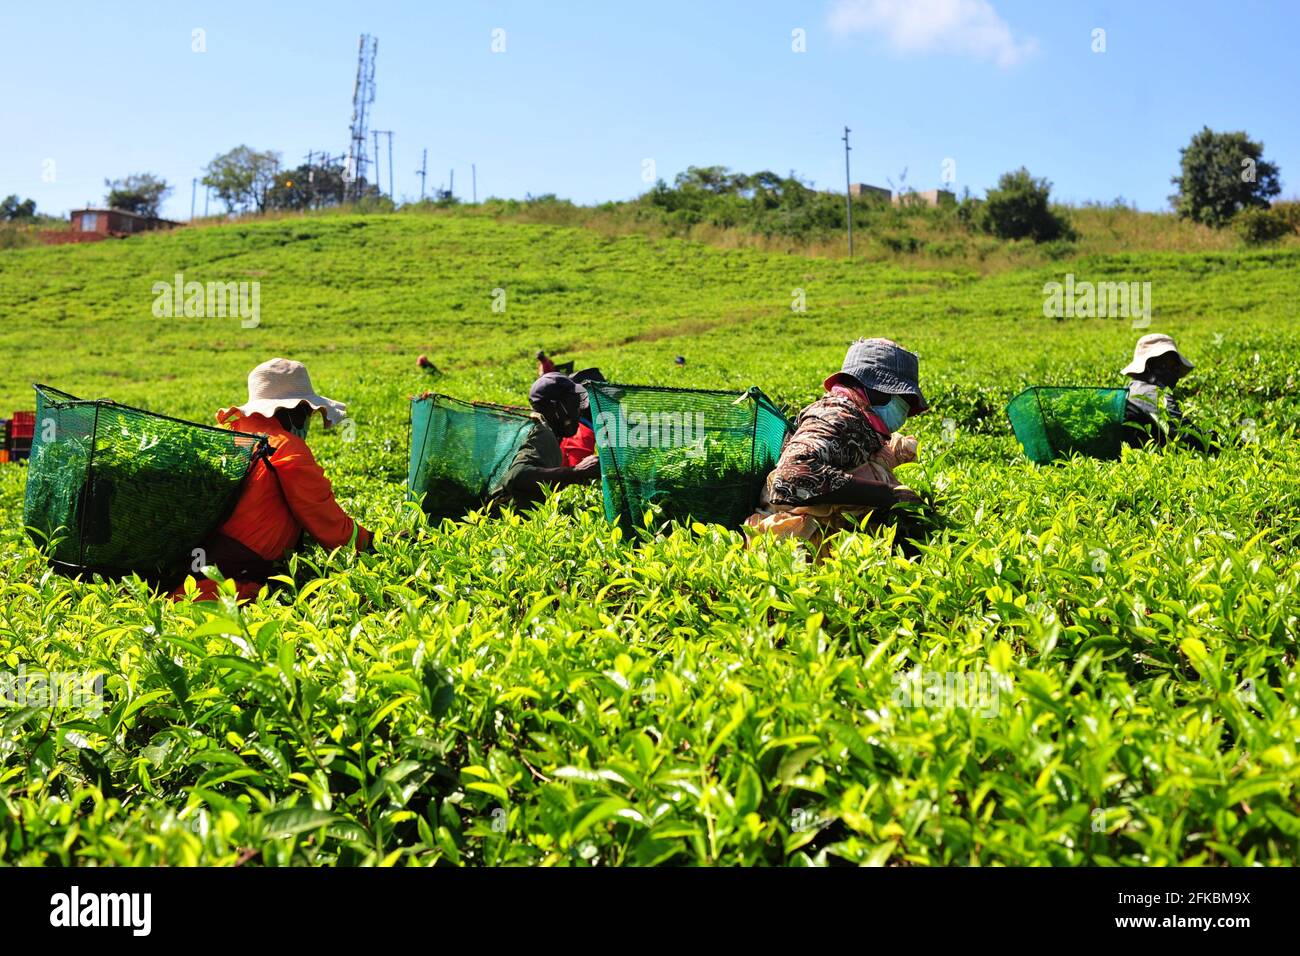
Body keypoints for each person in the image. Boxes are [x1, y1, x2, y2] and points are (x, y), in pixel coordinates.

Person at [172, 358, 373, 602]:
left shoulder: (226, 435)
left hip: (184, 579)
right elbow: (327, 522)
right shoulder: (286, 448)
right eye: (307, 412)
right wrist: (373, 543)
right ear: (295, 412)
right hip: (231, 588)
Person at [746, 338, 928, 552]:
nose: (905, 406)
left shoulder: (858, 419)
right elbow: (791, 475)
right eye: (901, 396)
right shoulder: (836, 415)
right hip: (796, 546)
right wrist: (889, 495)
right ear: (872, 387)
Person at [491, 372, 600, 507]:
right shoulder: (542, 432)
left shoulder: (533, 427)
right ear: (554, 408)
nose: (578, 411)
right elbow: (517, 476)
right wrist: (576, 472)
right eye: (572, 404)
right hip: (503, 516)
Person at [1121, 333, 1211, 451]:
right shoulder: (1152, 394)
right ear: (1149, 366)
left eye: (1176, 368)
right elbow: (1186, 435)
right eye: (1164, 366)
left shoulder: (1132, 388)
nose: (1173, 373)